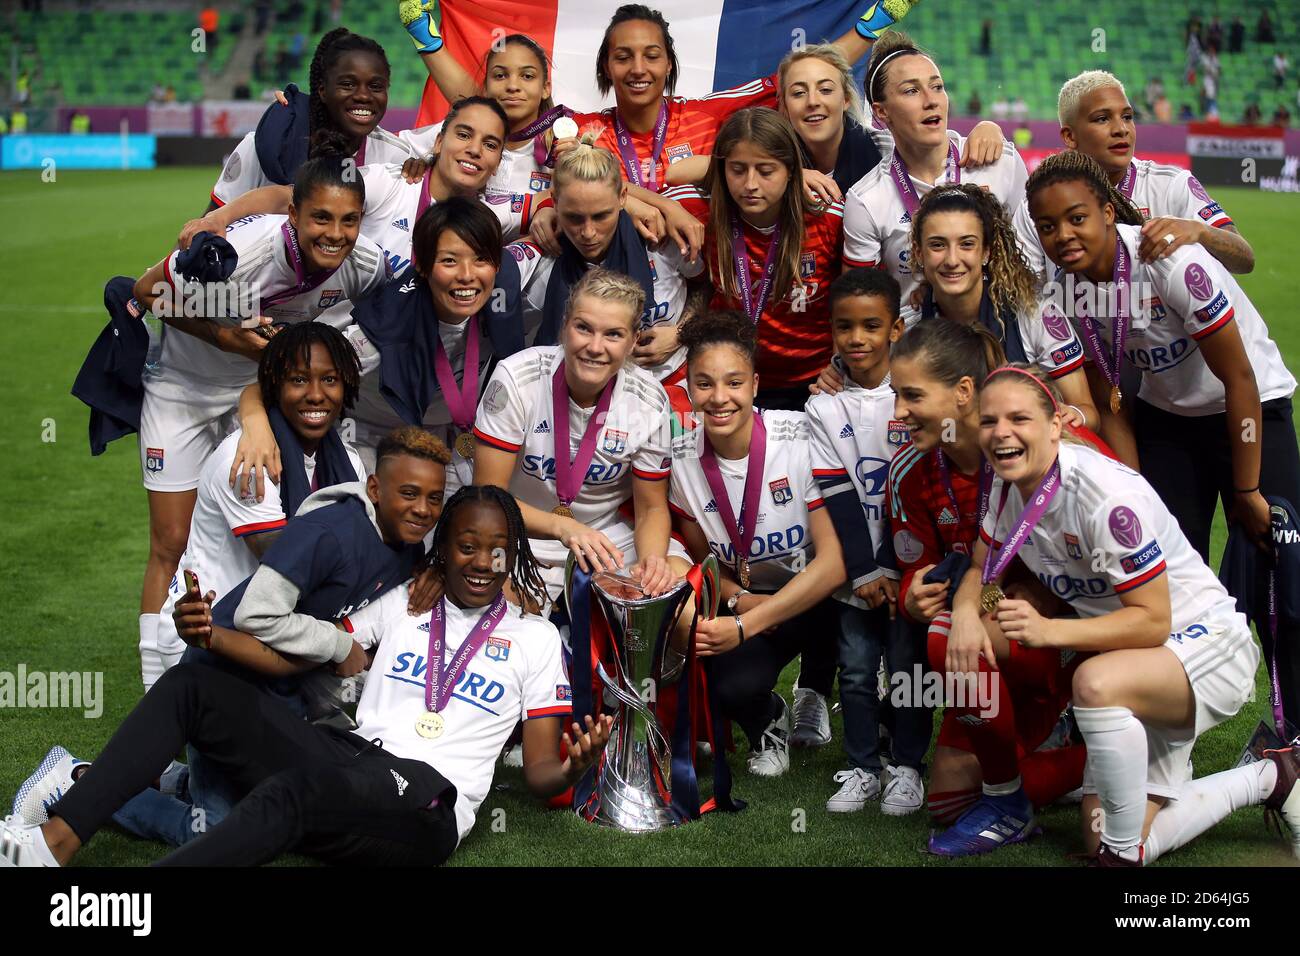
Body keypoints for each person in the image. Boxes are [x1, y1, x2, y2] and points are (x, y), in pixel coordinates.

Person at [1, 487, 613, 867]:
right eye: (466, 546)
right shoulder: (404, 602)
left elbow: (538, 775)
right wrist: (211, 636)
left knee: (288, 796)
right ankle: (51, 845)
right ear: (442, 548)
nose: (483, 562)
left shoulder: (534, 638)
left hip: (427, 800)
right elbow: (303, 652)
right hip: (346, 755)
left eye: (499, 549)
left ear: (514, 555)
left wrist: (572, 766)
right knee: (194, 686)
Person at [949, 365, 1300, 865]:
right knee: (1109, 830)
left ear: (1056, 425)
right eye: (989, 421)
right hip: (1136, 668)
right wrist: (966, 610)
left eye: (1019, 419)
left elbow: (1153, 620)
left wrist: (1051, 629)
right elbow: (983, 569)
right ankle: (1270, 777)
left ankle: (1117, 858)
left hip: (1204, 647)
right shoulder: (1008, 486)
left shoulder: (1106, 500)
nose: (1001, 433)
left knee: (1091, 682)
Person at [1027, 150, 1300, 726]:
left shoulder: (1169, 261)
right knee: (1161, 572)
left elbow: (1239, 376)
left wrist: (1248, 489)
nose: (1063, 236)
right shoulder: (1061, 286)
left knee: (1279, 560)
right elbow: (1108, 399)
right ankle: (1172, 718)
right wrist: (1135, 487)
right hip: (1168, 420)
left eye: (1077, 218)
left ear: (1107, 210)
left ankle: (1291, 722)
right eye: (1048, 226)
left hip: (1250, 407)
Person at [132, 156, 388, 712]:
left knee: (253, 535)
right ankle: (155, 692)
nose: (336, 234)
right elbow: (148, 291)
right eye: (321, 219)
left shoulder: (362, 263)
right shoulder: (243, 253)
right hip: (184, 387)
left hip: (261, 391)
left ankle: (245, 673)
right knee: (171, 542)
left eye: (349, 222)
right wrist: (228, 338)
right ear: (294, 214)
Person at [884, 322, 1088, 840]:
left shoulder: (1024, 449)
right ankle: (1077, 759)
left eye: (912, 396)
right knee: (949, 804)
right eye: (895, 395)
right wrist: (912, 593)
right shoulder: (911, 472)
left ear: (963, 392)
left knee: (943, 634)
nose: (898, 413)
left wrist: (1045, 590)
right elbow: (919, 565)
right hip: (979, 642)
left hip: (1058, 631)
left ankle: (1056, 757)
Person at [666, 310, 848, 775]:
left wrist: (750, 621)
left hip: (819, 598)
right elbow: (706, 559)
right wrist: (740, 600)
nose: (720, 398)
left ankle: (813, 690)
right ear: (687, 389)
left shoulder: (800, 438)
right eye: (704, 384)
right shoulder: (682, 458)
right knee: (727, 681)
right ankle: (767, 719)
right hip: (749, 600)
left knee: (846, 611)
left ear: (755, 384)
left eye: (734, 382)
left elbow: (834, 565)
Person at [237, 198, 524, 486]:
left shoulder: (505, 285)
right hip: (369, 435)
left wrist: (546, 210)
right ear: (422, 266)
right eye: (449, 260)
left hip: (449, 432)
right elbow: (280, 382)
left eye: (481, 259)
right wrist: (254, 422)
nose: (466, 276)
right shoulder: (382, 333)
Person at [473, 267, 685, 609]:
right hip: (516, 531)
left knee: (671, 597)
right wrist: (562, 528)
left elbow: (650, 509)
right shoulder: (516, 378)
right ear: (564, 325)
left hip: (605, 538)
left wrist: (651, 561)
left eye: (613, 335)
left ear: (633, 341)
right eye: (583, 328)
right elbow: (487, 496)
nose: (595, 347)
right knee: (502, 613)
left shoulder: (649, 400)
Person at [805, 269, 928, 813]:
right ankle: (862, 767)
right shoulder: (822, 406)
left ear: (897, 327)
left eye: (871, 326)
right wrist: (864, 569)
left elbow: (921, 490)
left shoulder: (917, 395)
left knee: (908, 670)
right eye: (844, 327)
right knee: (855, 670)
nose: (857, 339)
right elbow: (835, 494)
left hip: (913, 565)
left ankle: (907, 767)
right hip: (857, 572)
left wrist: (892, 567)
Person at [189, 96, 531, 281]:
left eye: (490, 144)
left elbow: (561, 207)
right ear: (439, 142)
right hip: (331, 354)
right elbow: (290, 196)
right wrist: (221, 217)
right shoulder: (388, 182)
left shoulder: (491, 216)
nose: (474, 150)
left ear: (499, 159)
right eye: (464, 135)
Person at [1014, 71, 1256, 284]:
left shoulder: (1171, 186)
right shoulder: (1035, 209)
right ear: (1069, 136)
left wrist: (1200, 232)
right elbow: (1027, 301)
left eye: (1127, 116)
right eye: (1102, 118)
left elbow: (1244, 259)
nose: (1122, 129)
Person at [843, 31, 1029, 308]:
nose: (931, 100)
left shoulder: (1001, 163)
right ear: (881, 112)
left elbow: (1030, 267)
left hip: (999, 336)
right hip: (915, 343)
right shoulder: (866, 200)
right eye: (911, 90)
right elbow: (859, 307)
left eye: (938, 87)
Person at [677, 107, 845, 410]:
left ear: (791, 170)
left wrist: (839, 365)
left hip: (813, 383)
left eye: (766, 171)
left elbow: (851, 300)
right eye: (737, 170)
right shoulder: (702, 213)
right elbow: (625, 189)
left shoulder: (829, 217)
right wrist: (662, 207)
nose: (750, 184)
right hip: (732, 382)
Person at [507, 140, 703, 398]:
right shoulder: (539, 260)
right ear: (554, 202)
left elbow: (704, 288)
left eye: (601, 216)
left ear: (623, 197)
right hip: (573, 400)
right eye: (574, 218)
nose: (588, 233)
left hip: (670, 386)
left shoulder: (661, 240)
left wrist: (680, 333)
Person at [208, 29, 425, 212]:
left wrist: (423, 165)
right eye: (348, 84)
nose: (363, 96)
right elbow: (206, 229)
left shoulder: (398, 157)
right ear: (322, 90)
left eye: (376, 86)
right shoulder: (264, 146)